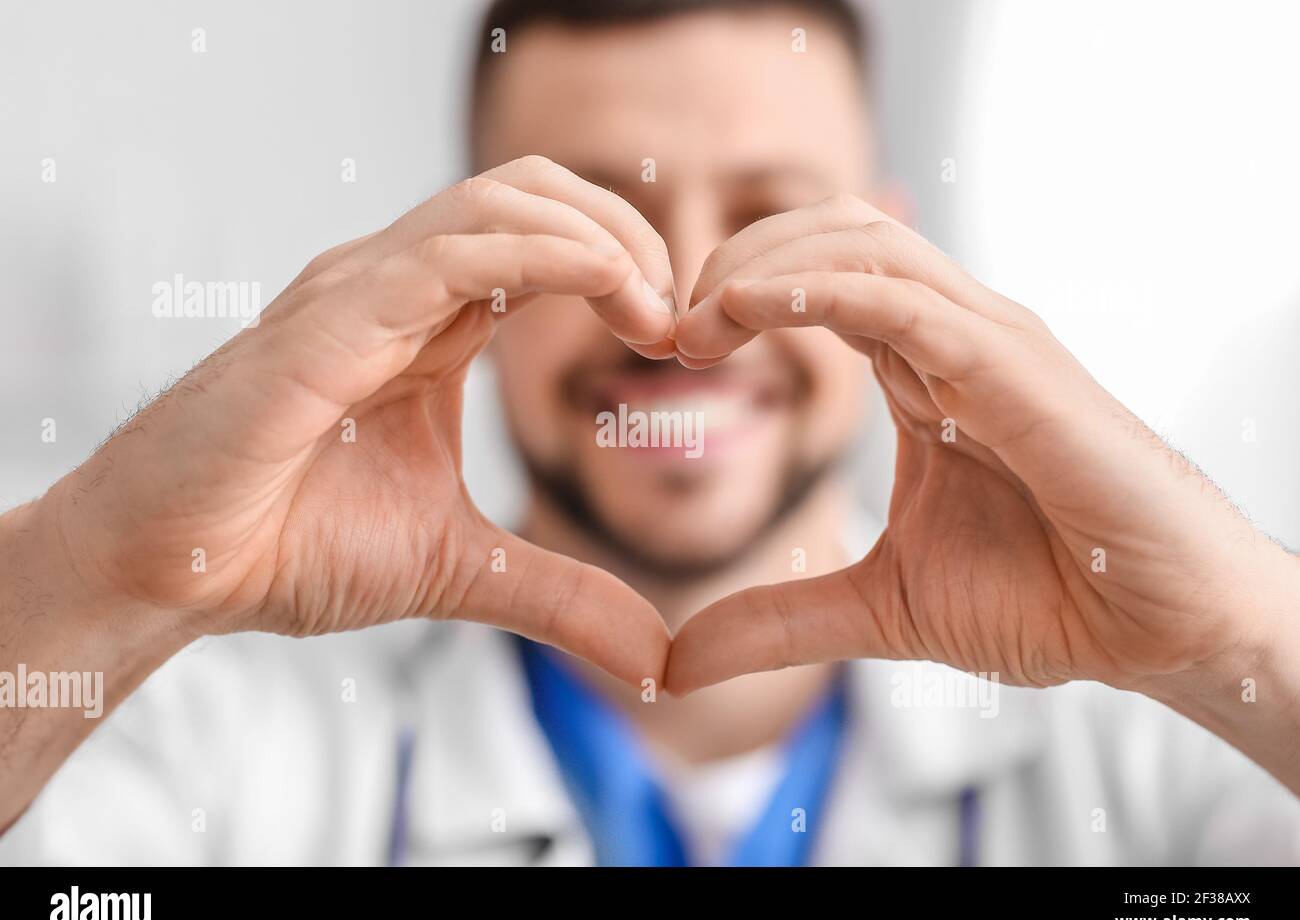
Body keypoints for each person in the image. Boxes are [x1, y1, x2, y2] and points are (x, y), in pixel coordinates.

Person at [1, 0, 1297, 866]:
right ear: (468, 272)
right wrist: (103, 568)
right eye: (588, 228)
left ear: (895, 250)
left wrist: (1243, 643)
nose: (682, 319)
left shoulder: (1165, 739)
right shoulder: (225, 746)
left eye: (775, 217)